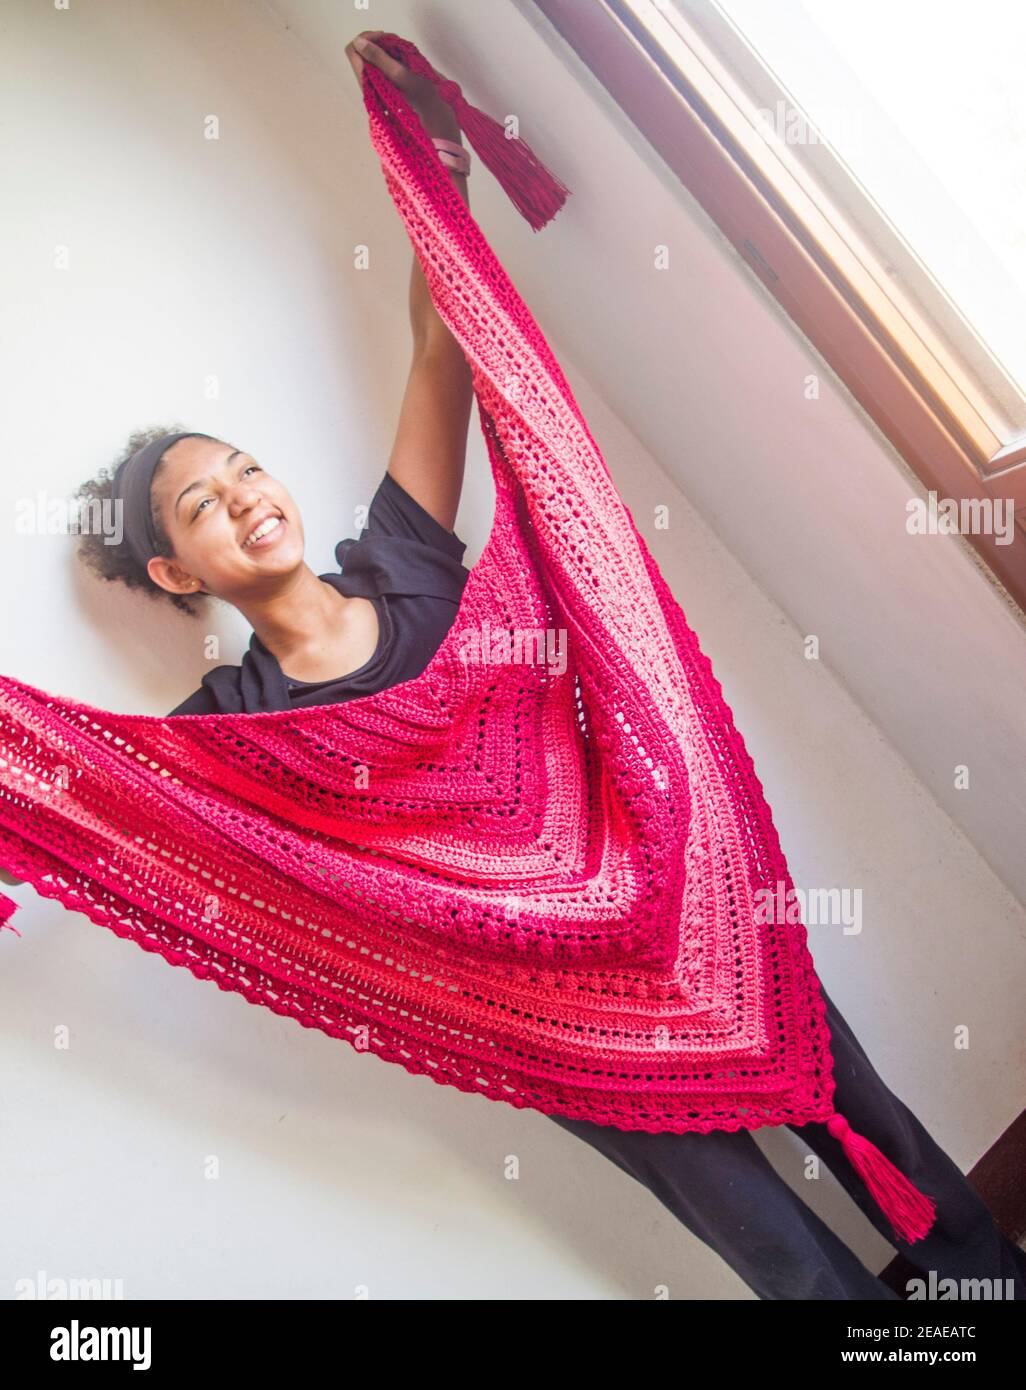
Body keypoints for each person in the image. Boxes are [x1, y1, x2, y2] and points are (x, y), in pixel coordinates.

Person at [9, 32, 1025, 1301]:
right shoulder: (233, 732)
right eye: (203, 508)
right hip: (547, 1018)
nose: (245, 499)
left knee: (855, 1099)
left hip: (671, 895)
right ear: (177, 573)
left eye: (244, 469)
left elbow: (444, 351)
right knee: (764, 1239)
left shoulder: (400, 556)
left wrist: (432, 171)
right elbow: (82, 794)